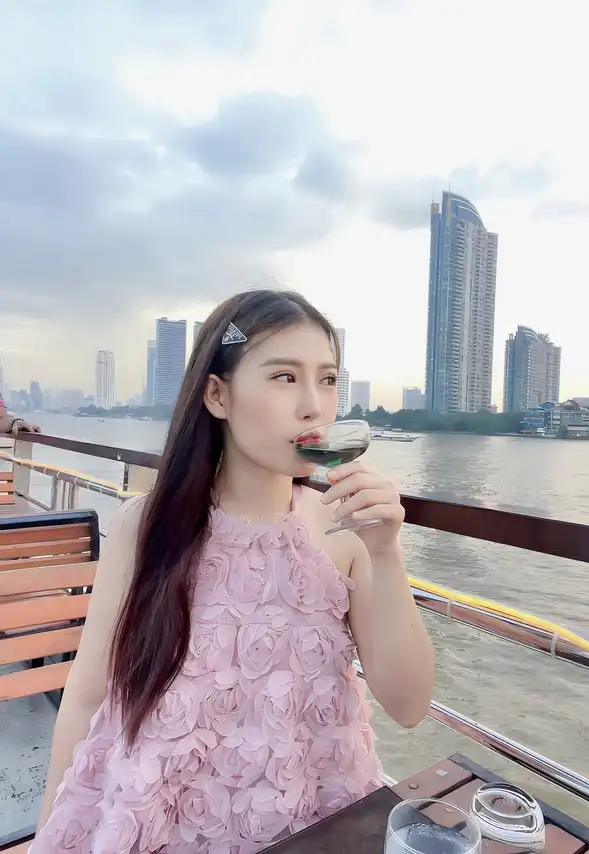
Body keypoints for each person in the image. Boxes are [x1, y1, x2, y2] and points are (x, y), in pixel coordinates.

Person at [32, 289, 434, 854]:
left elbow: (409, 706)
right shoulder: (147, 527)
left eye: (327, 380)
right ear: (217, 395)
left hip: (311, 820)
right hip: (164, 822)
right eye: (285, 377)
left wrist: (387, 552)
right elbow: (87, 694)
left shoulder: (346, 530)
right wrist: (52, 833)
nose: (314, 406)